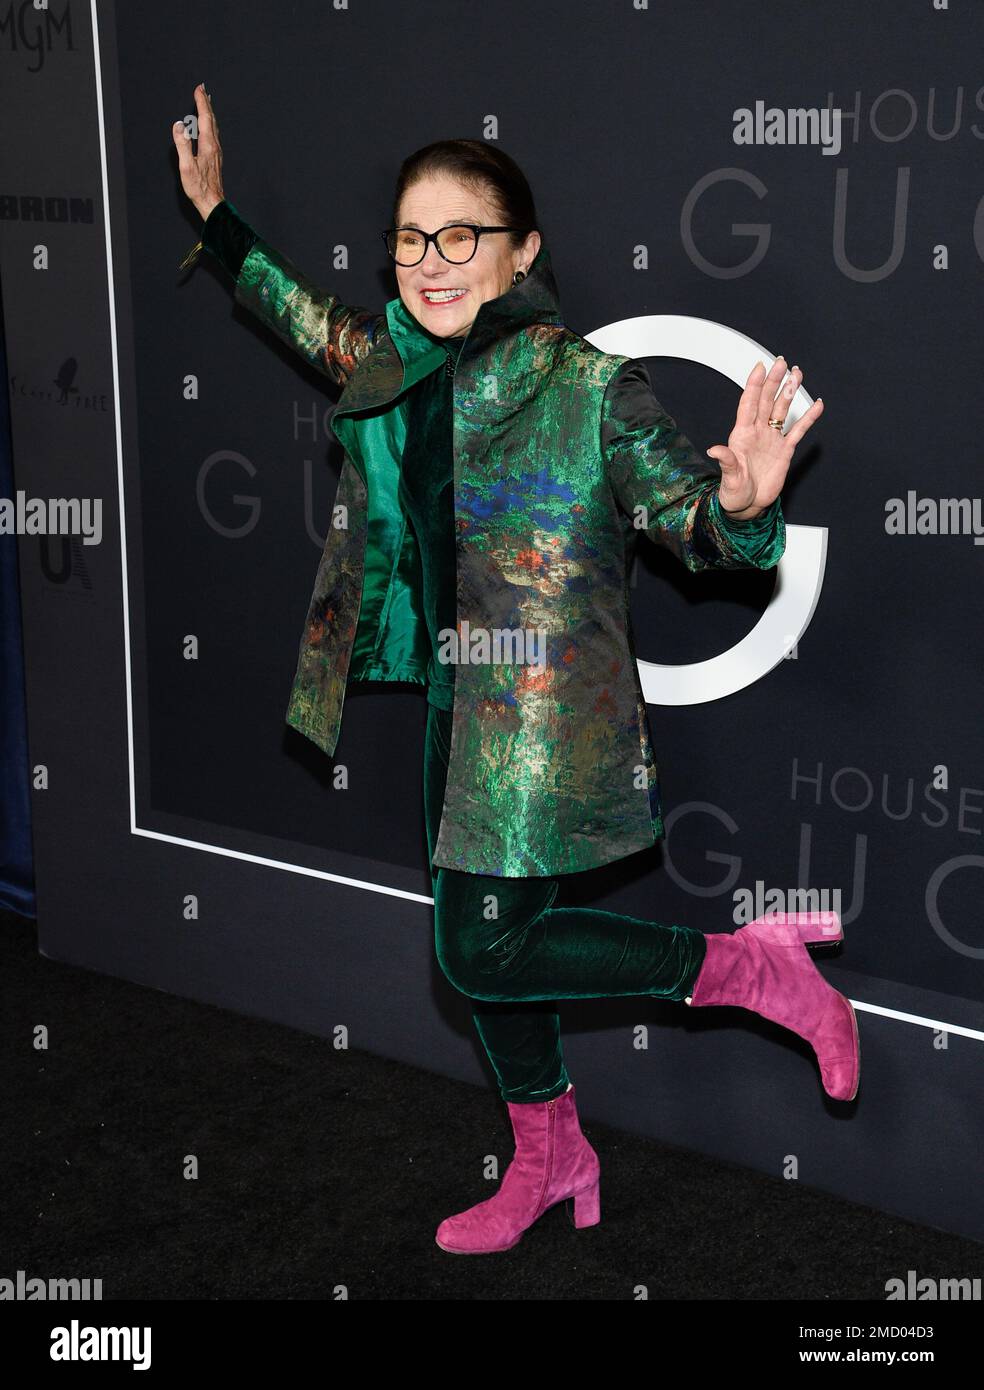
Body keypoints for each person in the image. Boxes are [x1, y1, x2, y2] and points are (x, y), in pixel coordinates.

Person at [173, 84, 857, 1256]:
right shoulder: (395, 356)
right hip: (451, 700)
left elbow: (690, 518)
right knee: (492, 957)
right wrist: (218, 214)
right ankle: (552, 1158)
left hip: (541, 720)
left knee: (475, 949)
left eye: (459, 237)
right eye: (407, 239)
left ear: (523, 250)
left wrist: (742, 504)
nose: (428, 264)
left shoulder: (586, 385)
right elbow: (304, 317)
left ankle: (747, 965)